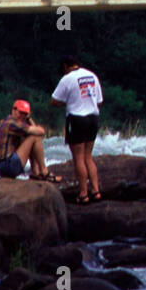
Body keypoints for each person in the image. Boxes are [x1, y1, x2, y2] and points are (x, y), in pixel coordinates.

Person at [50, 54, 103, 204]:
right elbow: (99, 101)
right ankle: (96, 191)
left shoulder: (67, 78)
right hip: (93, 118)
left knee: (78, 158)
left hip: (77, 119)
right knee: (88, 157)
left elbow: (54, 101)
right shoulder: (91, 75)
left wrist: (67, 102)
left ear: (66, 66)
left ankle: (83, 194)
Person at [0, 99, 53, 181]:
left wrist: (28, 119)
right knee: (34, 136)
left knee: (28, 137)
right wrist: (29, 119)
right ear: (14, 110)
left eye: (25, 114)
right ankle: (44, 171)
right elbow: (40, 132)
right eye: (20, 112)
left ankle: (35, 172)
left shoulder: (2, 122)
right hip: (8, 166)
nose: (22, 116)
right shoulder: (12, 124)